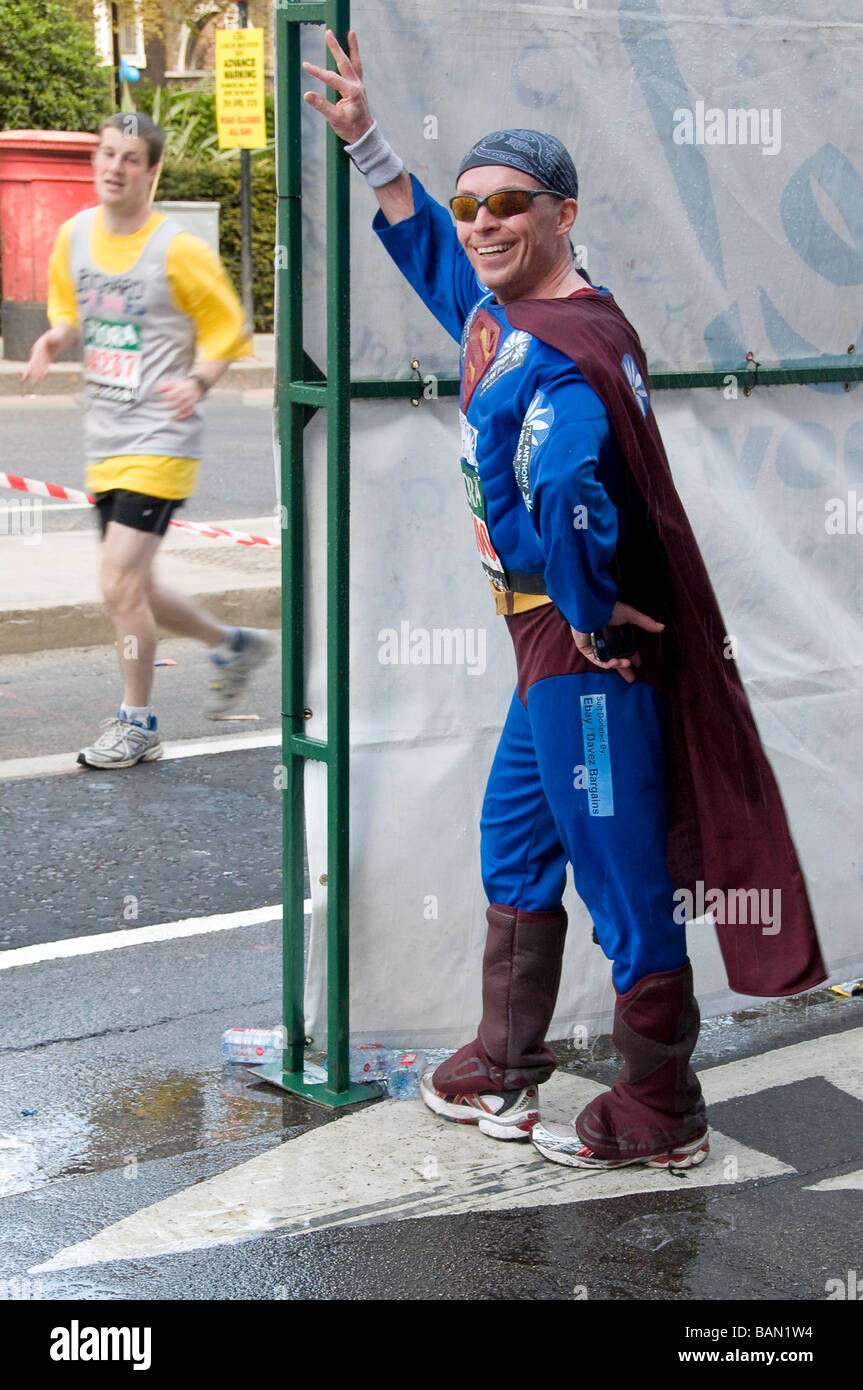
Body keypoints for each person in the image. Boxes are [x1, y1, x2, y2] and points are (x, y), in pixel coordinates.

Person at [303, 32, 826, 1169]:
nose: (481, 223)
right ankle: (502, 1059)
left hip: (579, 654)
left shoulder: (550, 356)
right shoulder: (528, 319)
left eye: (508, 205)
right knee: (514, 844)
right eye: (469, 202)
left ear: (562, 214)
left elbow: (574, 489)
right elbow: (447, 276)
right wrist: (371, 149)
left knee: (619, 868)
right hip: (544, 651)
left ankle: (660, 1107)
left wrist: (589, 613)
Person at [22, 113, 271, 768]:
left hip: (162, 439)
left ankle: (137, 722)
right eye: (107, 154)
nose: (114, 167)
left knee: (115, 581)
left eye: (130, 158)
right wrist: (57, 335)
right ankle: (232, 644)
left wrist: (198, 379)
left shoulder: (176, 249)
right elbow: (68, 307)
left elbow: (229, 327)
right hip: (104, 436)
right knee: (136, 588)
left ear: (151, 171)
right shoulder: (74, 236)